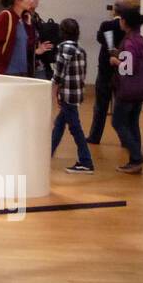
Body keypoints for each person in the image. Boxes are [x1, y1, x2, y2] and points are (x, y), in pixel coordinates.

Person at [110, 6, 143, 173]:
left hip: (128, 89)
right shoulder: (139, 39)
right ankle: (135, 162)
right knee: (133, 123)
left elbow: (128, 68)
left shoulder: (129, 42)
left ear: (125, 22)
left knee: (118, 122)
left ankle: (137, 156)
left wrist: (115, 61)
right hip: (141, 88)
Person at [49, 19, 94, 172]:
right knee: (60, 124)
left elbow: (58, 73)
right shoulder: (81, 50)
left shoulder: (64, 49)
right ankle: (48, 152)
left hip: (67, 94)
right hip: (76, 93)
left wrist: (53, 90)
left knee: (75, 128)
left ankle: (86, 161)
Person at [87, 1, 131, 145]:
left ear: (114, 12)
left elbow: (101, 39)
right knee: (121, 106)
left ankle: (95, 136)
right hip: (123, 70)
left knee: (100, 105)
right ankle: (125, 139)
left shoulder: (106, 25)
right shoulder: (130, 28)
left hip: (106, 69)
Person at [23, 0, 58, 79]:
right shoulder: (22, 19)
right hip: (27, 66)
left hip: (40, 65)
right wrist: (35, 51)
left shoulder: (37, 18)